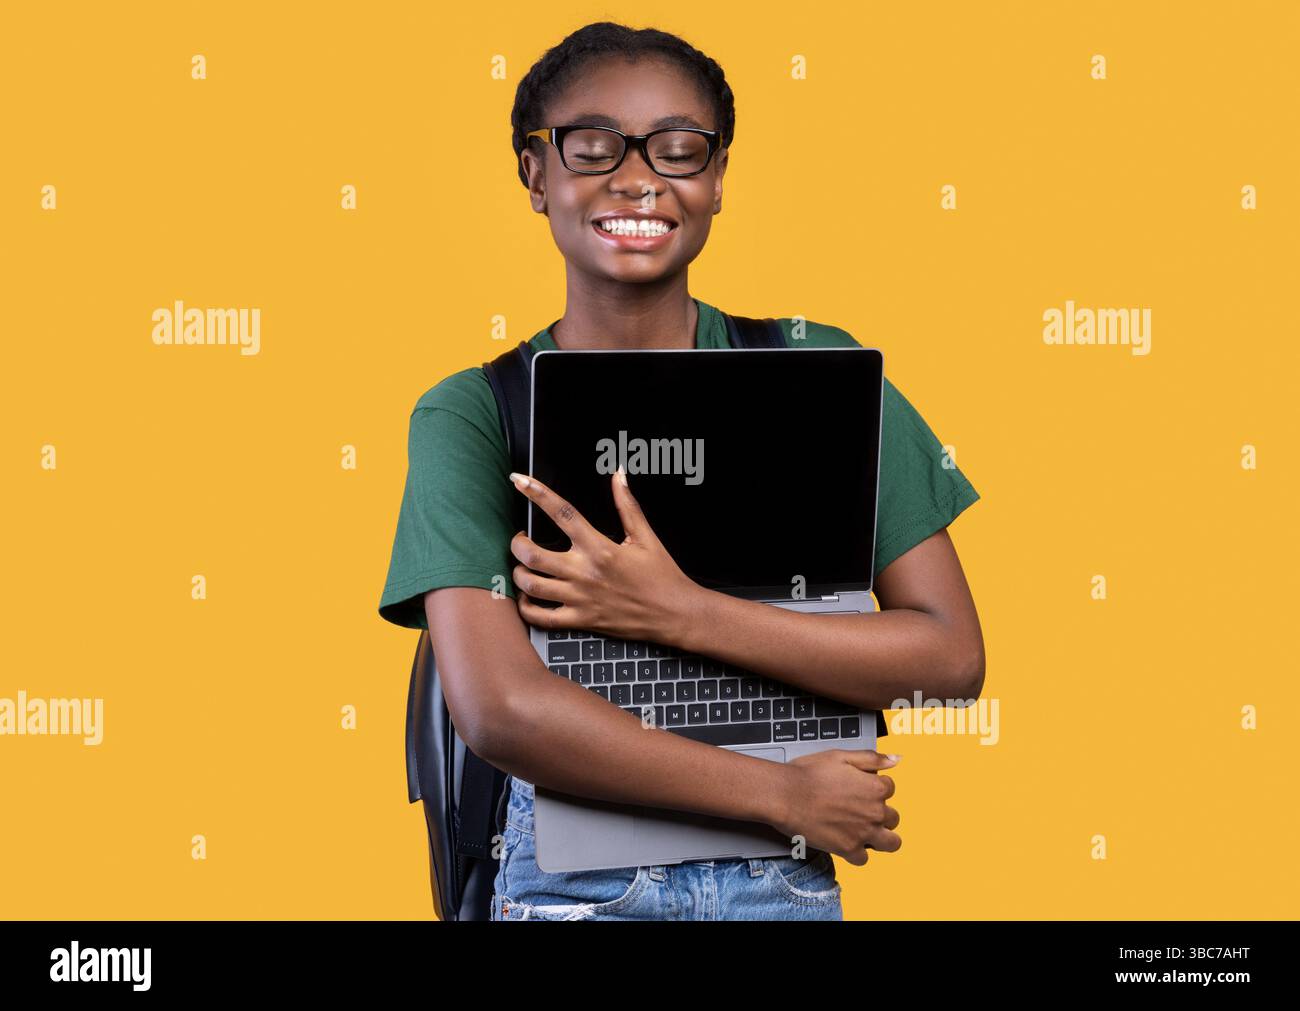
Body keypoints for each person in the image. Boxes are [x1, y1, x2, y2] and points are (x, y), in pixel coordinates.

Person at [378, 21, 984, 921]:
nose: (638, 179)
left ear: (718, 177)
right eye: (593, 148)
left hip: (779, 882)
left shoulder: (817, 373)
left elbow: (950, 657)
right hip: (572, 887)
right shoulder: (475, 412)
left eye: (677, 149)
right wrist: (780, 793)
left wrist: (679, 611)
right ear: (535, 175)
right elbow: (501, 708)